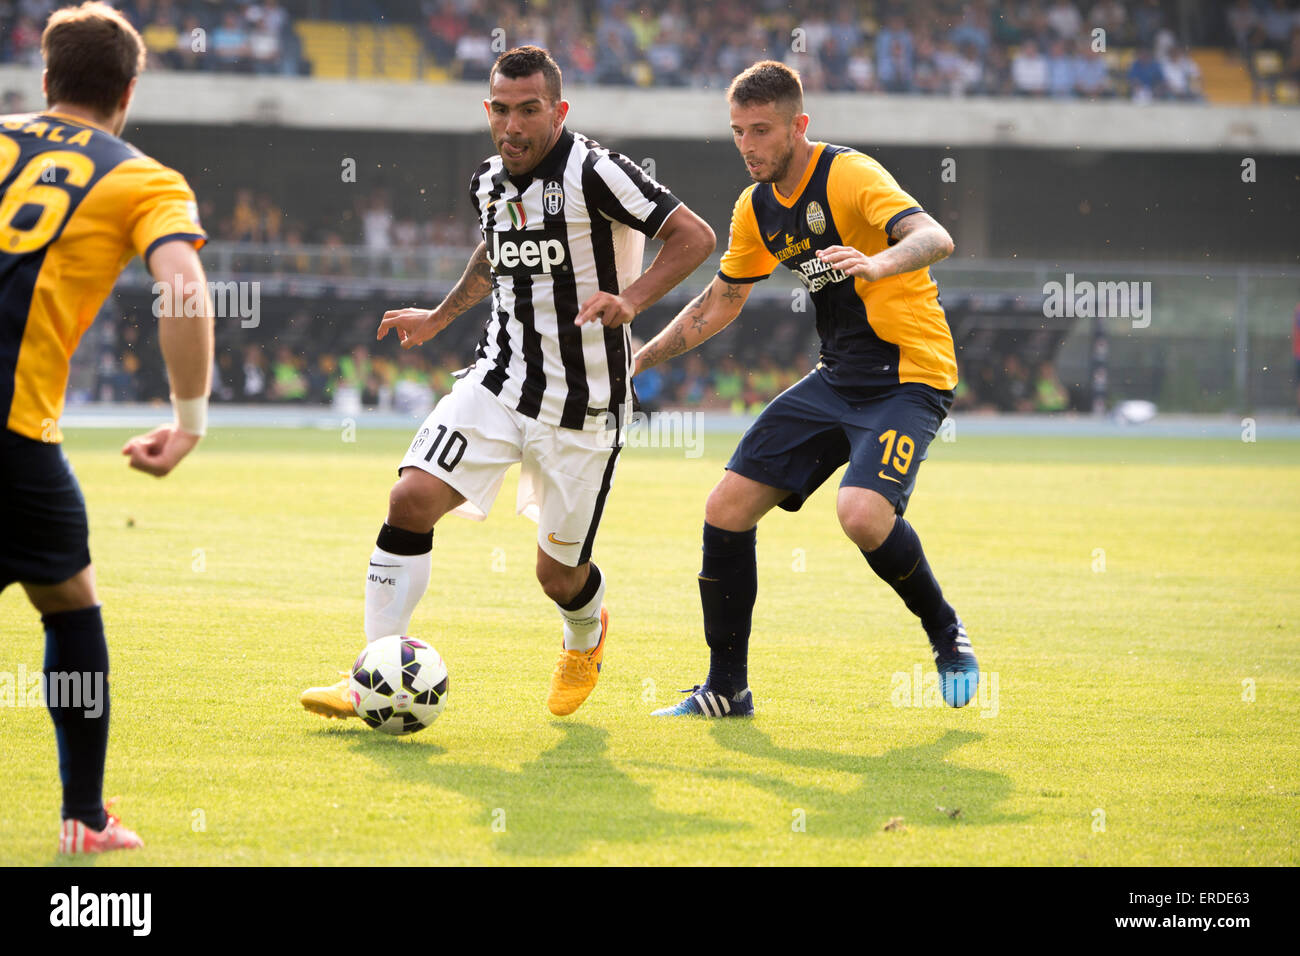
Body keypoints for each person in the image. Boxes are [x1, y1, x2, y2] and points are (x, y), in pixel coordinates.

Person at [299, 46, 713, 720]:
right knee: (410, 498)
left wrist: (631, 298)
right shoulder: (488, 182)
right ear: (486, 109)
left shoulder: (596, 170)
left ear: (558, 110)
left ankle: (586, 635)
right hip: (500, 379)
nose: (512, 125)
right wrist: (439, 315)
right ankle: (373, 671)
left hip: (586, 405)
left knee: (558, 576)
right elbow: (495, 251)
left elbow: (694, 236)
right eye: (501, 109)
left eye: (529, 110)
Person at [634, 60, 977, 718]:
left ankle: (945, 632)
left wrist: (879, 260)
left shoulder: (849, 174)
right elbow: (721, 301)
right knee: (724, 509)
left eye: (762, 130)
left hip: (911, 374)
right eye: (738, 132)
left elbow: (936, 235)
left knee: (862, 514)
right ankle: (727, 690)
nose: (749, 146)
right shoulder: (755, 208)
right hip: (837, 378)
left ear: (800, 125)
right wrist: (639, 360)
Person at [0, 2, 212, 853]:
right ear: (128, 92)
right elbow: (186, 291)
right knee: (71, 607)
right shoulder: (142, 178)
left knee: (67, 592)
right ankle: (84, 818)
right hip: (14, 434)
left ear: (45, 81)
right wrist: (187, 420)